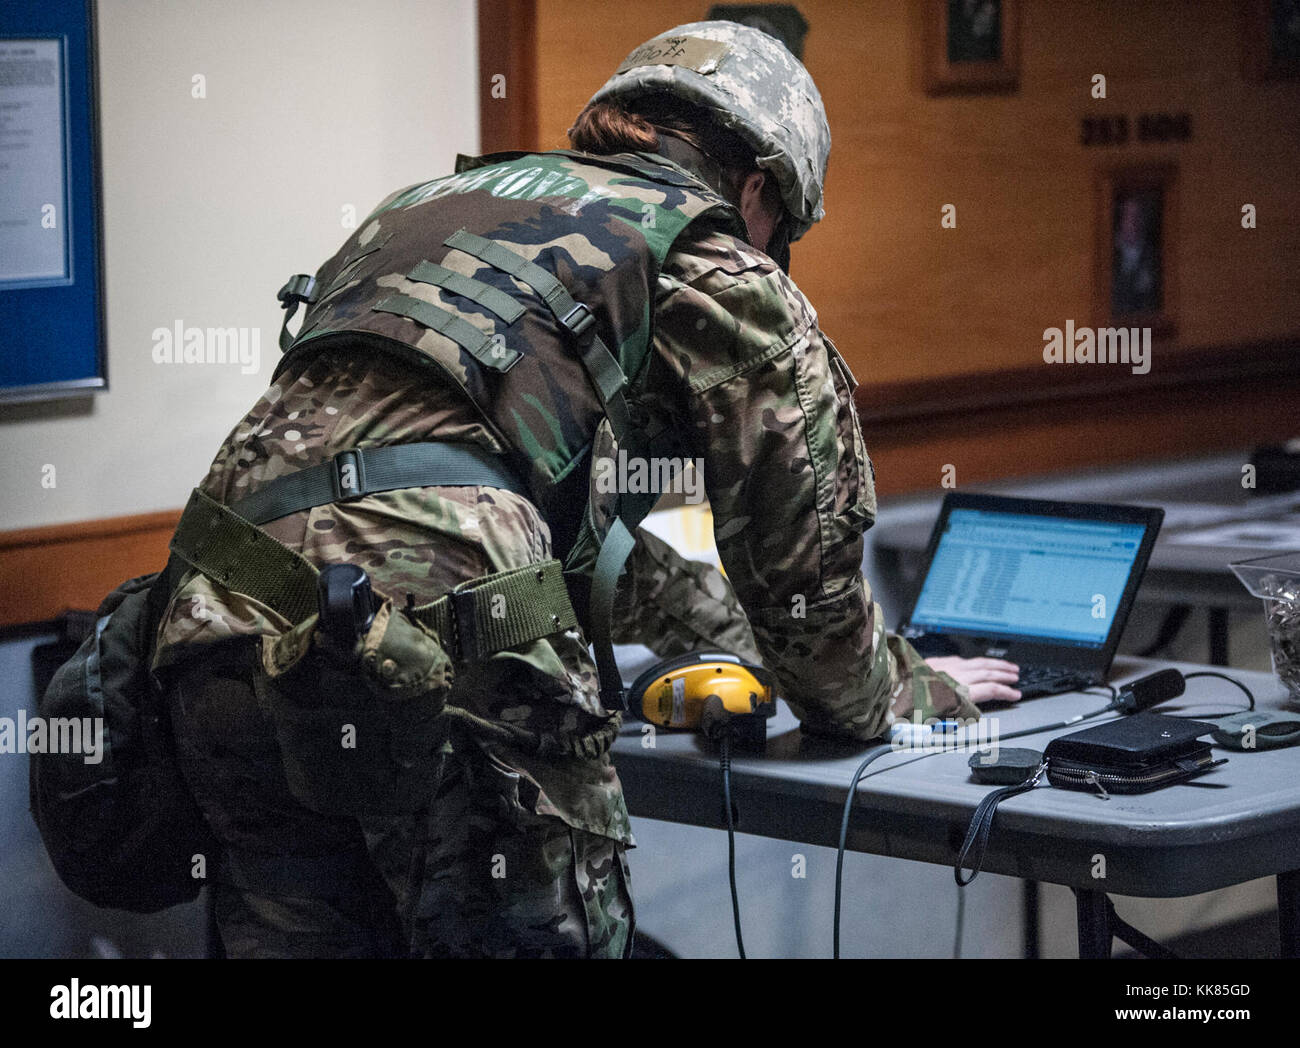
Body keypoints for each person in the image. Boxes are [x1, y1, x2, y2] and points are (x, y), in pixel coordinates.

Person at [153, 19, 1019, 959]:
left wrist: (734, 647)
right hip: (449, 643)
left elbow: (558, 541)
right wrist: (905, 687)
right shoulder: (716, 264)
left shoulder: (433, 208)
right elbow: (807, 599)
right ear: (758, 186)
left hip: (219, 613)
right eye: (784, 229)